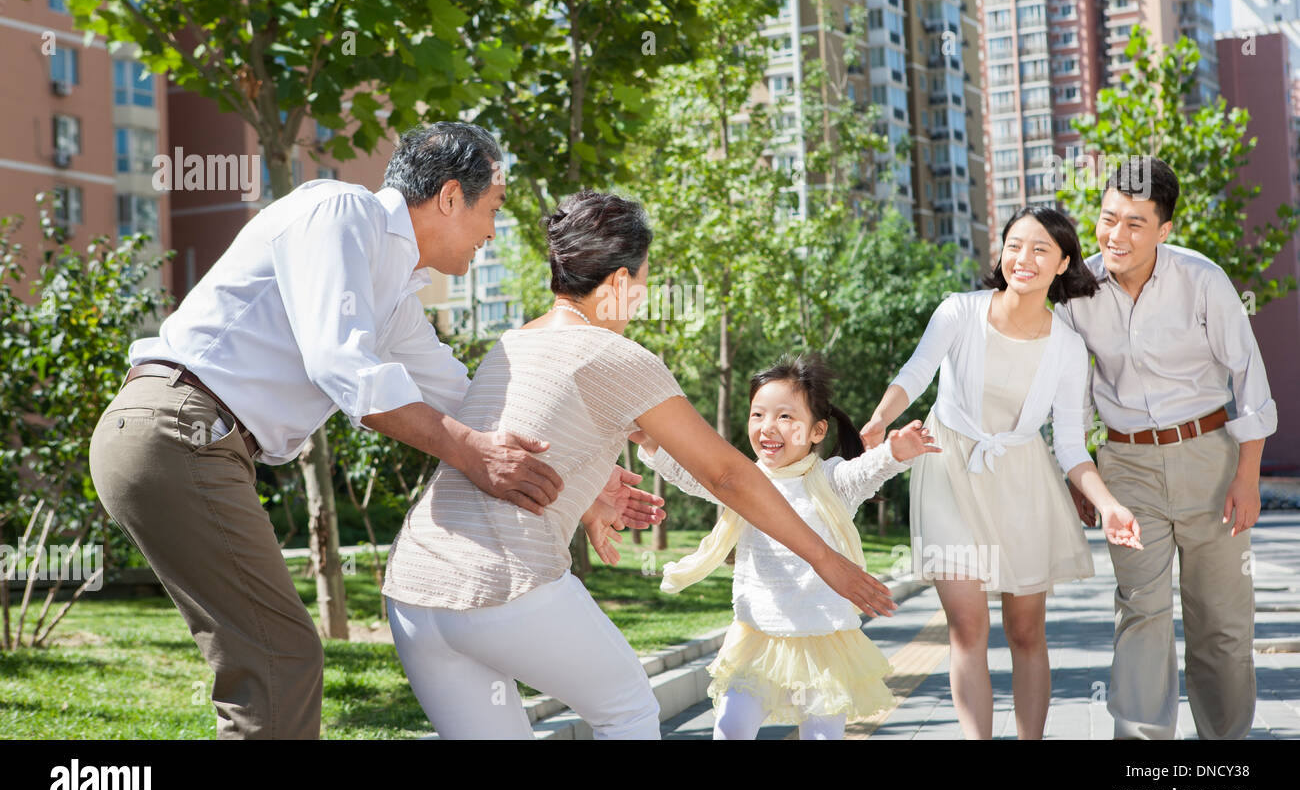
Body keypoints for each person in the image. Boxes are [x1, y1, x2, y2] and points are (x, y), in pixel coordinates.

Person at [87, 122, 603, 739]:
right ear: (447, 196)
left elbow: (470, 401)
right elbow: (340, 364)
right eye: (491, 209)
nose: (493, 232)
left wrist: (583, 477)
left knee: (275, 659)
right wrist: (469, 453)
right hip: (176, 430)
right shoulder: (336, 211)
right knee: (278, 660)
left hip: (194, 441)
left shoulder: (394, 298)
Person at [381, 192, 897, 740]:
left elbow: (522, 450)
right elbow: (726, 475)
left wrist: (585, 501)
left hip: (414, 593)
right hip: (504, 586)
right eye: (645, 281)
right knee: (628, 711)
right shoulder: (617, 356)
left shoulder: (509, 345)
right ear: (621, 280)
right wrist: (826, 561)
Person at [862, 204, 1142, 740]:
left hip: (1021, 482)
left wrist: (1108, 506)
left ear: (1063, 263)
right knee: (967, 626)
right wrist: (879, 421)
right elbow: (917, 370)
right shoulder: (959, 311)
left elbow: (1069, 446)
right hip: (947, 470)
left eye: (1040, 249)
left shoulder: (1066, 346)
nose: (1024, 258)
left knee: (1025, 631)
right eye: (1015, 245)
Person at [1057, 156, 1276, 740]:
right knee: (1141, 612)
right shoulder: (1077, 294)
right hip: (1127, 465)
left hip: (1210, 459)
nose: (1116, 236)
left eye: (1135, 223)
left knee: (1221, 621)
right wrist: (1085, 483)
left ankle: (1225, 748)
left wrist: (1247, 475)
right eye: (1107, 219)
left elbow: (1249, 381)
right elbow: (1071, 399)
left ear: (1164, 230)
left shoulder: (1202, 279)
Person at [636, 352, 938, 740]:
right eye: (757, 415)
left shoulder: (831, 481)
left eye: (785, 416)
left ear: (817, 431)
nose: (767, 427)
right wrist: (651, 444)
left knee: (822, 735)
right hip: (757, 636)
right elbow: (698, 476)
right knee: (730, 730)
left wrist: (896, 452)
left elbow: (867, 469)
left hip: (822, 641)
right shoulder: (742, 480)